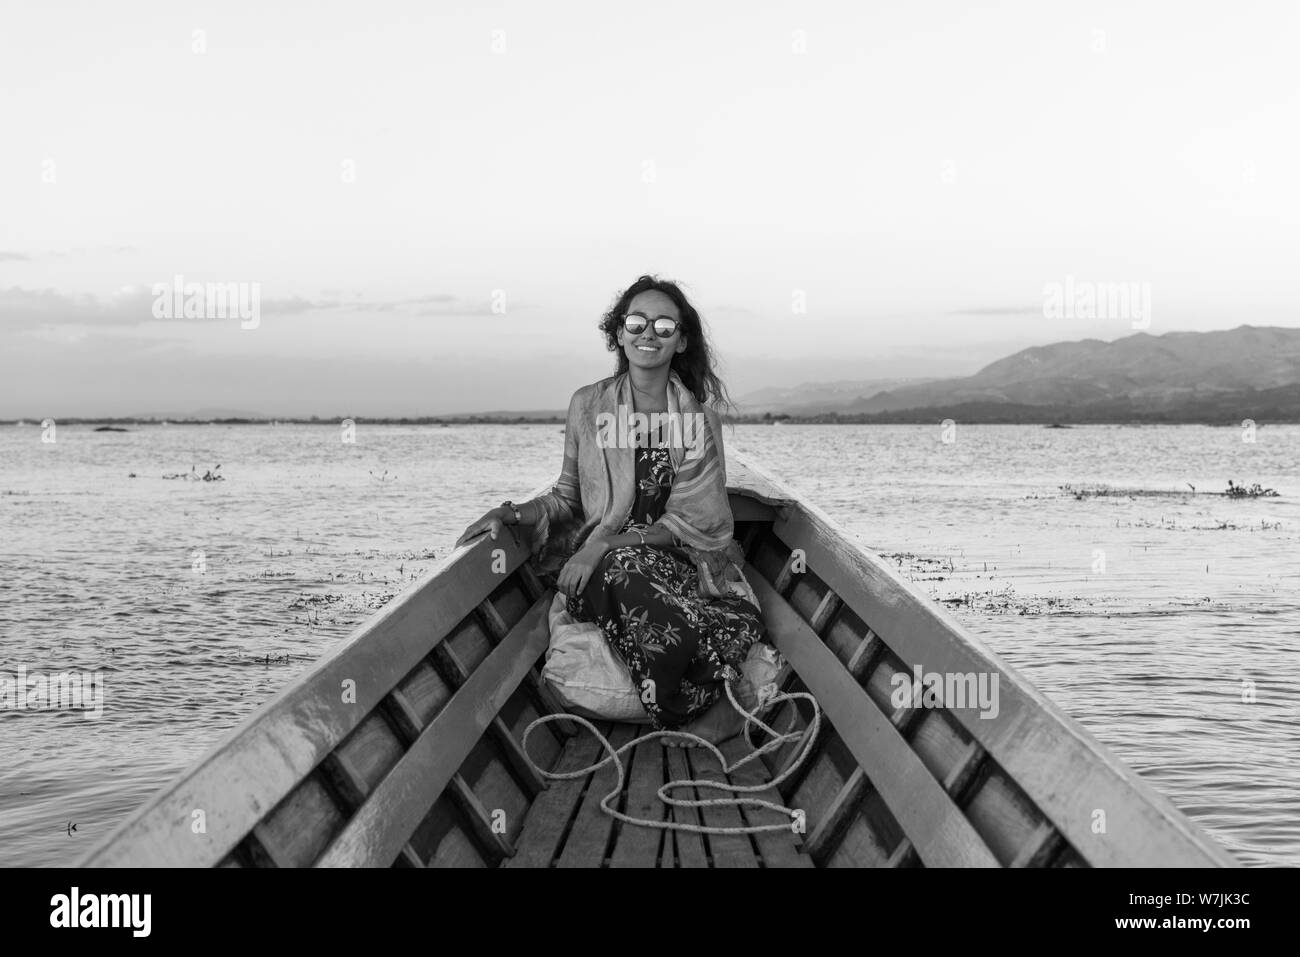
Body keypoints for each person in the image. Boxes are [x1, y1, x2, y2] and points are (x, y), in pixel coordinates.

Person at [456, 275, 765, 744]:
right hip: (601, 568)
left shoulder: (697, 420)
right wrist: (511, 514)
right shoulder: (587, 405)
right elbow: (566, 497)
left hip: (671, 560)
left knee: (645, 578)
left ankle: (708, 699)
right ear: (618, 332)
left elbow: (694, 523)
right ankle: (709, 698)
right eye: (637, 322)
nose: (649, 333)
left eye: (664, 326)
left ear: (681, 340)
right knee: (628, 581)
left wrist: (606, 544)